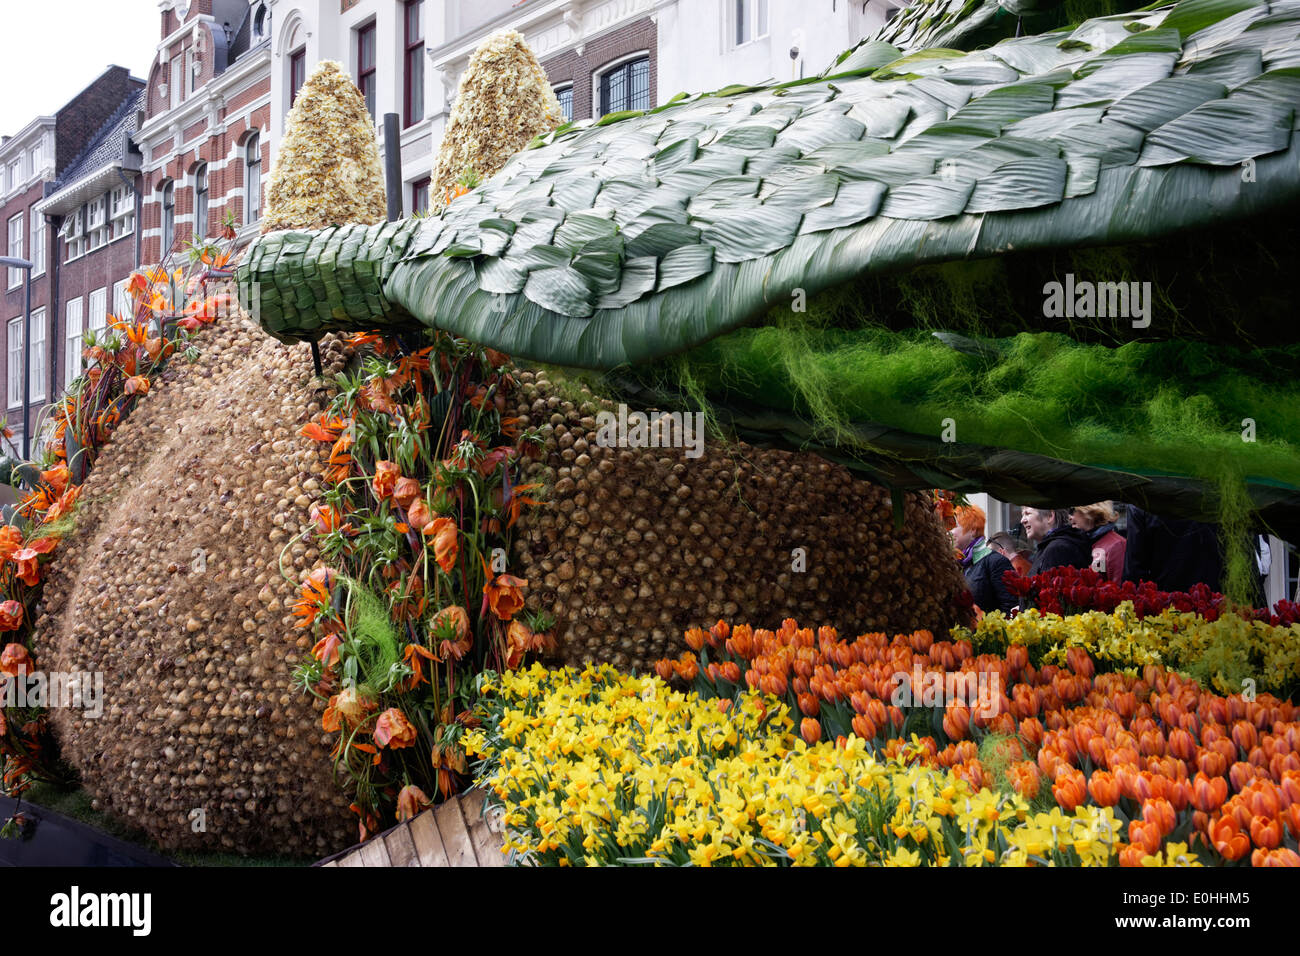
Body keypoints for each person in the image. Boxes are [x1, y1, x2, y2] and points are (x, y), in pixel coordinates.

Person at [1122, 505, 1224, 592]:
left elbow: (1133, 574)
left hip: (1163, 604)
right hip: (1214, 603)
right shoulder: (1221, 498)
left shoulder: (1141, 502)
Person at [952, 505, 1016, 614]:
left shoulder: (995, 562)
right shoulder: (959, 564)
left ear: (972, 530)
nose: (949, 531)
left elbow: (1011, 608)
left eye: (954, 526)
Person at [1021, 506, 1091, 575]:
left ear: (1050, 516)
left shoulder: (1058, 548)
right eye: (1023, 515)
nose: (1022, 520)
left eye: (1027, 513)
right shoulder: (1054, 546)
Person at [1070, 501, 1127, 582]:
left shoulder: (1116, 545)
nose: (1070, 517)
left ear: (1089, 511)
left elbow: (1119, 589)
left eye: (1073, 511)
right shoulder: (1086, 541)